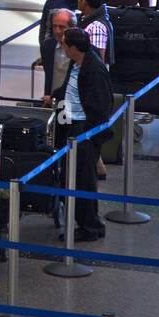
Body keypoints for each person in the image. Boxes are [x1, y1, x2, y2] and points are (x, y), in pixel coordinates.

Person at [51, 28, 112, 242]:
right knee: (74, 177)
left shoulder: (93, 69)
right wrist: (55, 96)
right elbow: (71, 89)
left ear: (74, 47)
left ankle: (89, 227)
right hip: (72, 125)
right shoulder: (78, 62)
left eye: (65, 44)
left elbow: (101, 106)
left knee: (82, 180)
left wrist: (87, 135)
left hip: (84, 132)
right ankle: (88, 222)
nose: (63, 48)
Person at [37, 0, 87, 90]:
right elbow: (44, 31)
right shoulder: (53, 2)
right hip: (55, 55)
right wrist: (45, 52)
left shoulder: (86, 4)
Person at [36, 8, 77, 105]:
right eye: (55, 26)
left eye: (62, 27)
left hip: (74, 103)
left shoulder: (80, 49)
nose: (57, 31)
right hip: (52, 102)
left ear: (73, 27)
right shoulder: (47, 47)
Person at [77, 0, 114, 66]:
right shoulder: (85, 19)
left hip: (91, 77)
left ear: (85, 1)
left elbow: (96, 62)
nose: (77, 0)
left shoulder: (97, 27)